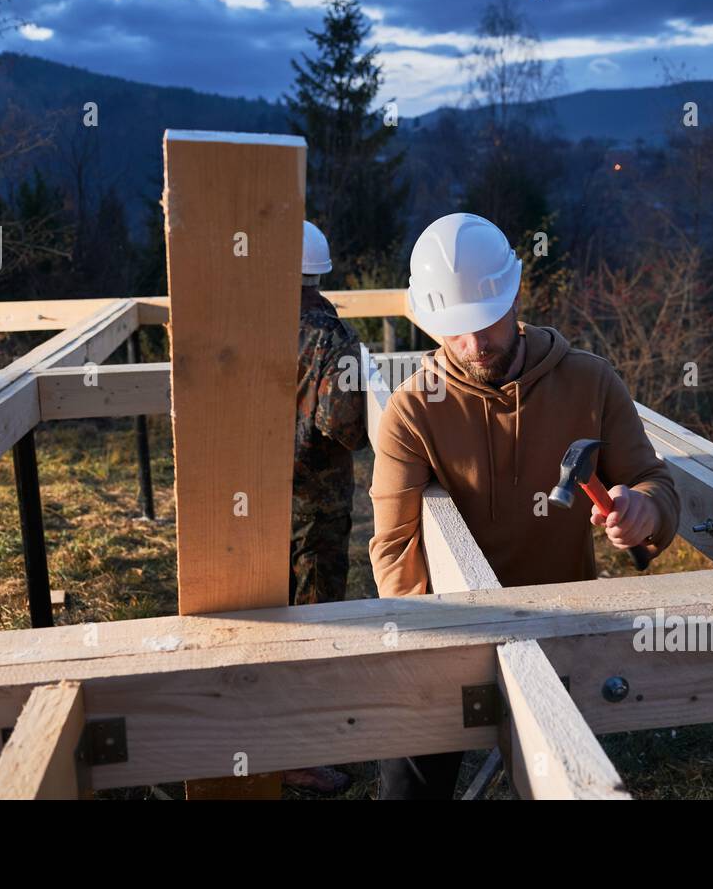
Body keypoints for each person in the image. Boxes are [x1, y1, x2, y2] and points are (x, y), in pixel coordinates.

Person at [369, 212, 680, 799]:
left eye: (485, 323)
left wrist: (644, 510)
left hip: (561, 622)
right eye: (454, 331)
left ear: (513, 297)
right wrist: (428, 647)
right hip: (449, 627)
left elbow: (652, 481)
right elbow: (393, 545)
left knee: (555, 777)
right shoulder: (413, 410)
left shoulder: (590, 383)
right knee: (409, 779)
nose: (473, 344)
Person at [283, 220, 367, 793]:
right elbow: (344, 428)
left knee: (260, 615)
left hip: (251, 502)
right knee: (310, 621)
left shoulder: (242, 319)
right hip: (314, 506)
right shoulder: (330, 339)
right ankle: (298, 755)